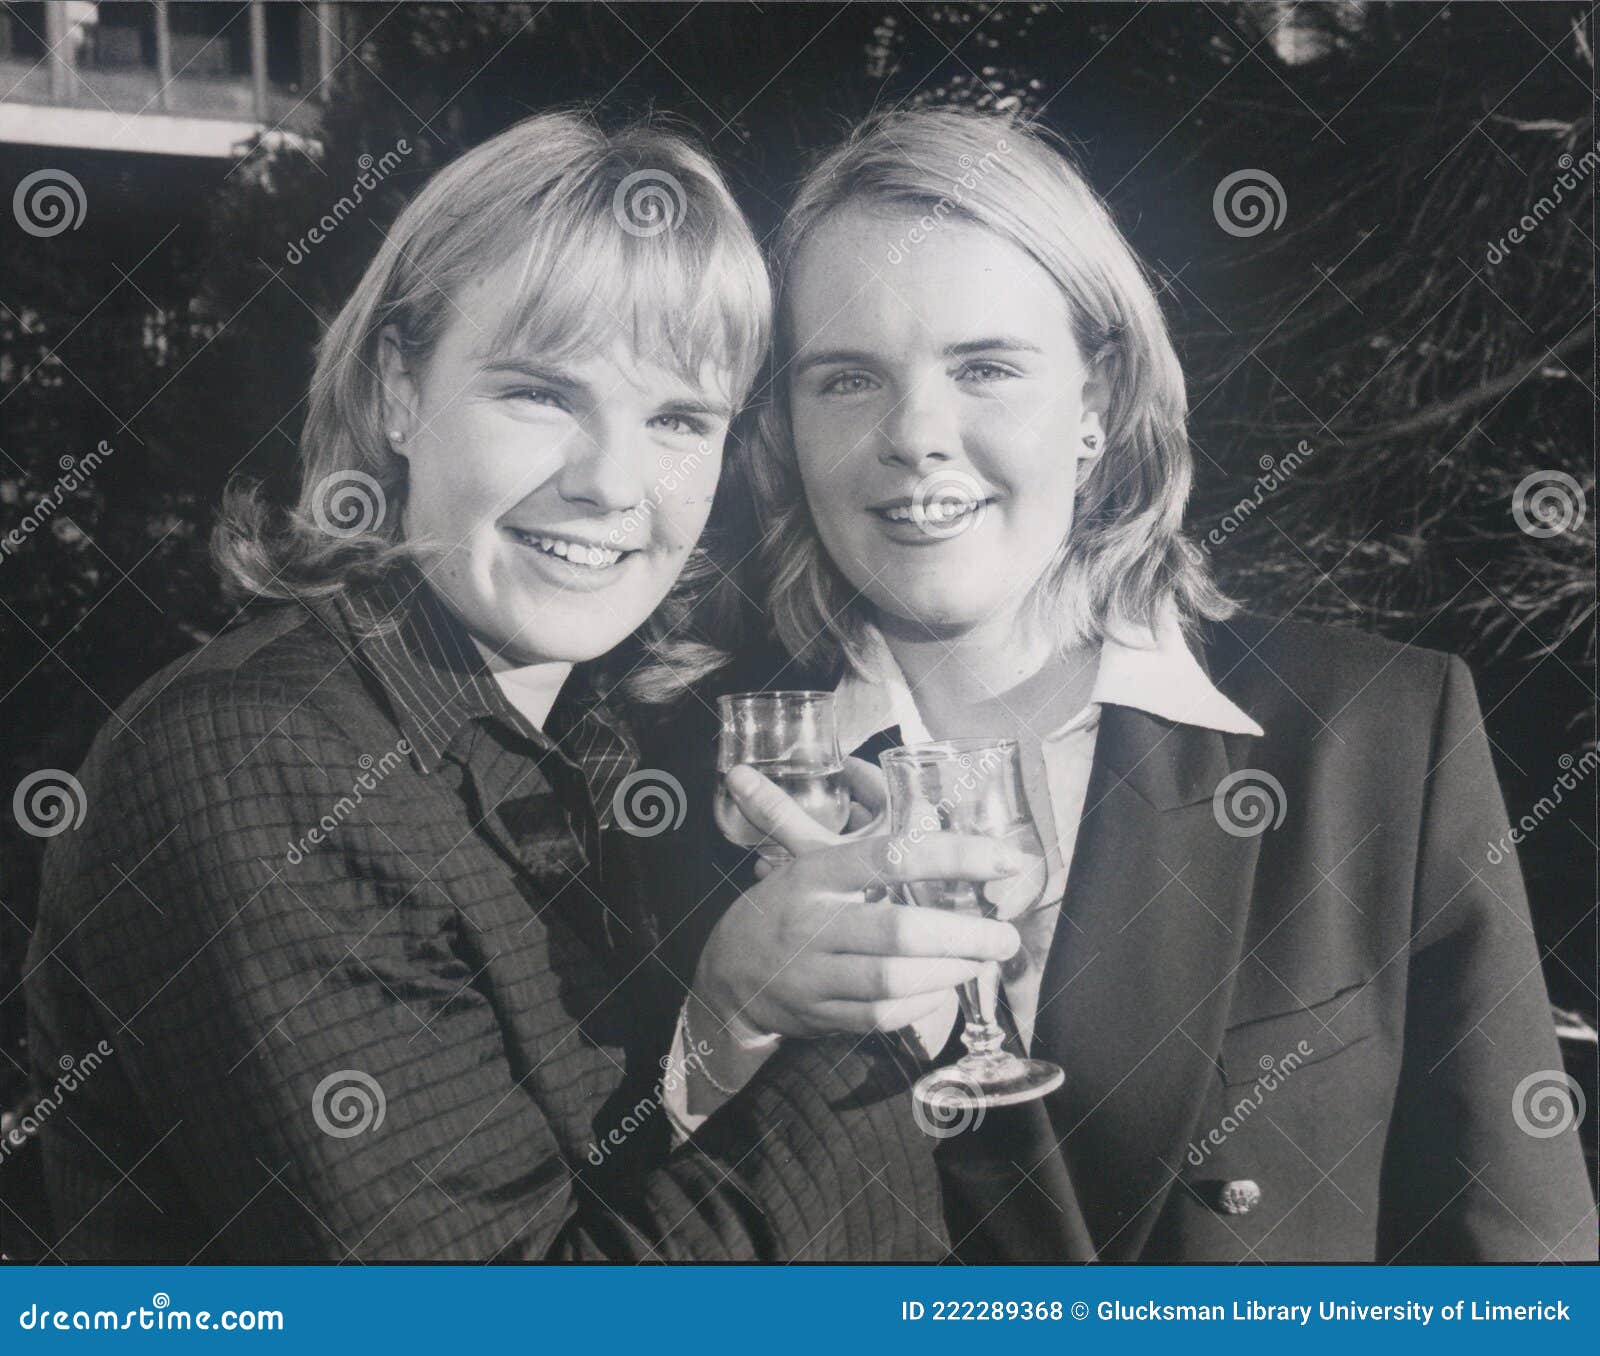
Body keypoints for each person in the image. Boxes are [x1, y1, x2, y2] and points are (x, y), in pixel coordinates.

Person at [21, 110, 1013, 1261]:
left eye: (677, 418)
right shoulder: (257, 765)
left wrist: (738, 1015)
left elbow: (613, 1187)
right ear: (399, 388)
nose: (611, 482)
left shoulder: (601, 741)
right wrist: (865, 1016)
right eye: (542, 394)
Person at [681, 105, 1597, 1262]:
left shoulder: (1373, 734)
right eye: (846, 379)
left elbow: (1522, 1267)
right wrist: (722, 1027)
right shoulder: (679, 767)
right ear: (781, 423)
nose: (916, 434)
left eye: (984, 368)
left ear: (1099, 402)